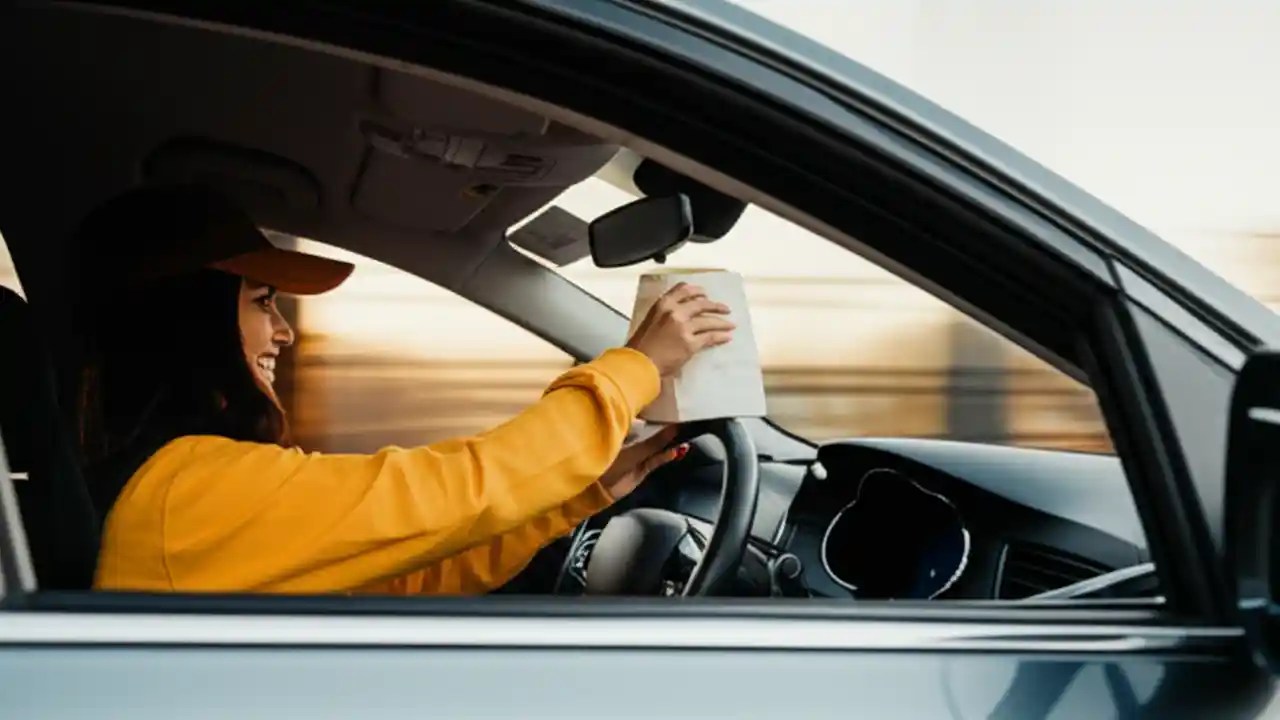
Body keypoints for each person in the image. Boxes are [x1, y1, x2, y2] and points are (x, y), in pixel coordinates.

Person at [71, 184, 735, 594]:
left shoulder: (183, 489)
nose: (283, 333)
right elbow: (460, 488)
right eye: (261, 303)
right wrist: (635, 367)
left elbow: (400, 572)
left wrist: (576, 496)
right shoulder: (184, 495)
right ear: (191, 319)